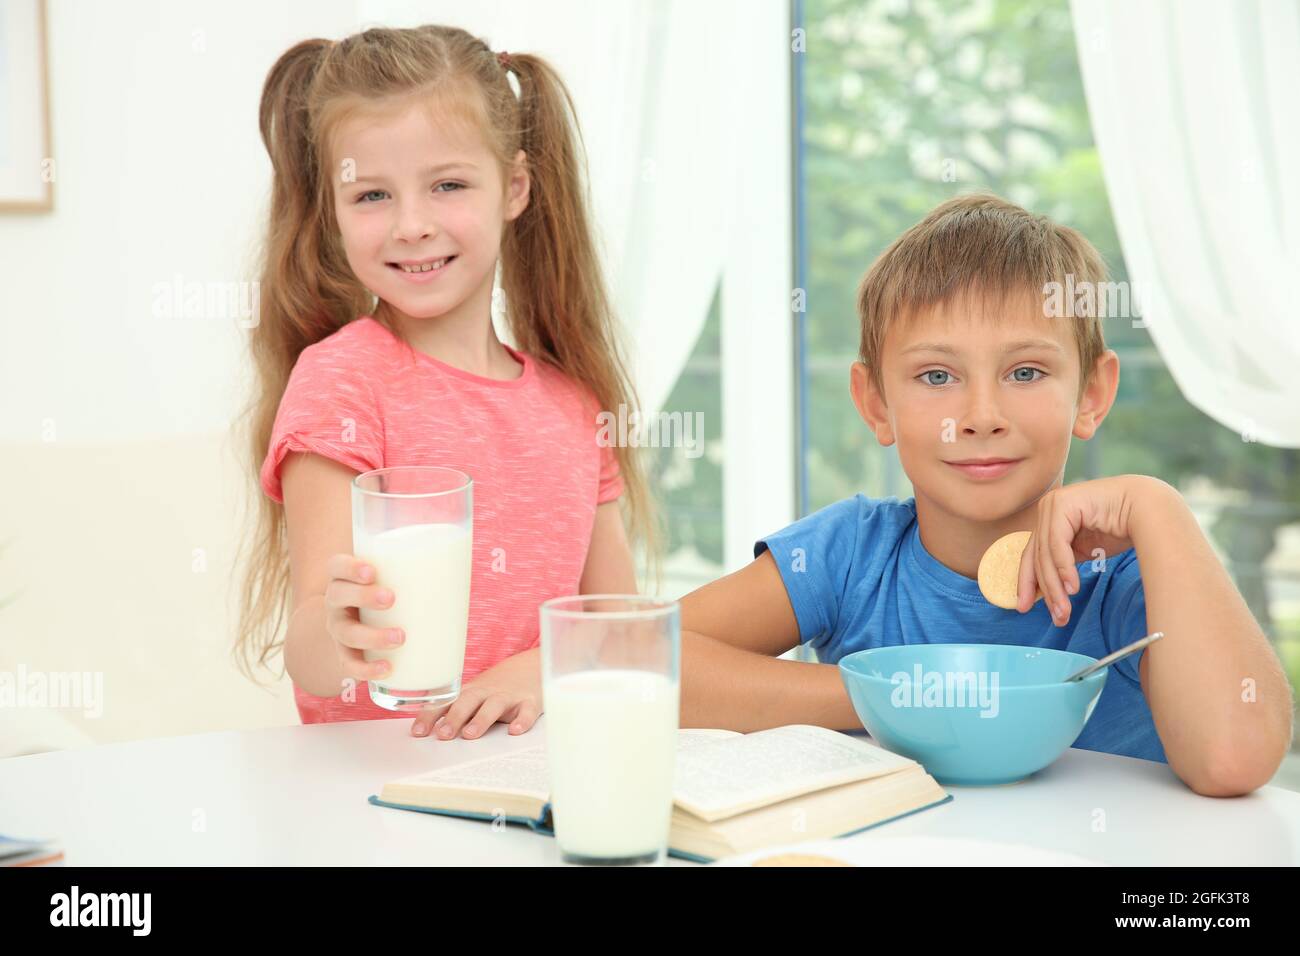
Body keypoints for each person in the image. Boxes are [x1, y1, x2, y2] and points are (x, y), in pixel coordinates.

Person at [677, 193, 1293, 797]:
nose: (980, 416)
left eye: (1025, 372)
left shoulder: (1126, 581)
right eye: (936, 376)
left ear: (1092, 395)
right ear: (875, 404)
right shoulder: (846, 556)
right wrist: (901, 698)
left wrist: (1159, 508)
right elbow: (635, 662)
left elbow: (1235, 757)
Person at [234, 25, 657, 741]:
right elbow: (310, 653)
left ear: (514, 188)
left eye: (448, 185)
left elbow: (620, 632)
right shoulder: (342, 383)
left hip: (530, 777)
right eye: (371, 195)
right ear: (333, 211)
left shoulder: (575, 406)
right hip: (373, 787)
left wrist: (540, 673)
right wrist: (341, 634)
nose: (411, 225)